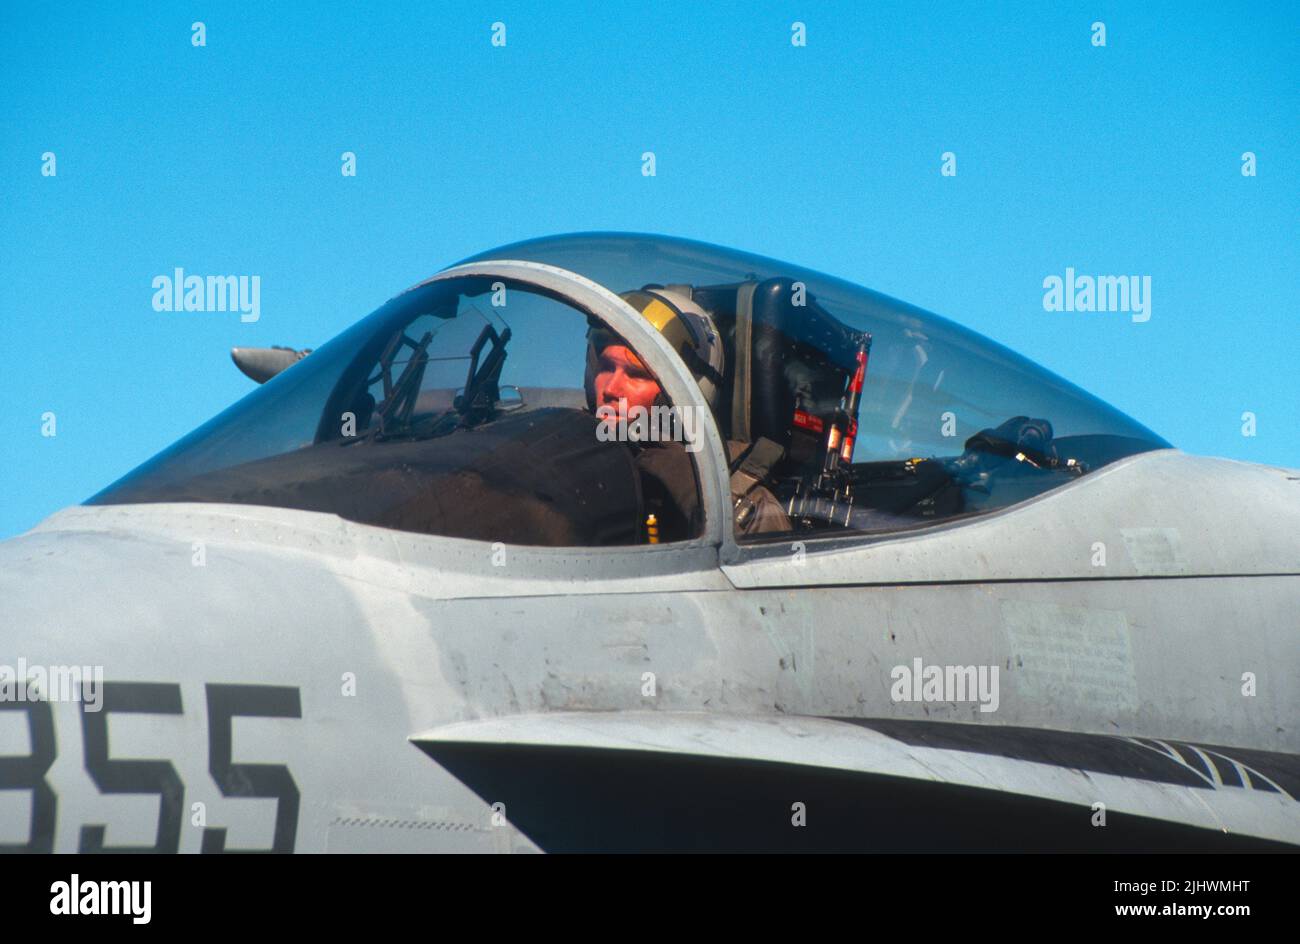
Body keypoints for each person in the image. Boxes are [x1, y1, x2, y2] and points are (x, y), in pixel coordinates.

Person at [584, 287, 791, 540]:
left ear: (685, 389)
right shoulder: (565, 451)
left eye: (637, 374)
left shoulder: (743, 502)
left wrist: (699, 501)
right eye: (605, 368)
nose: (611, 389)